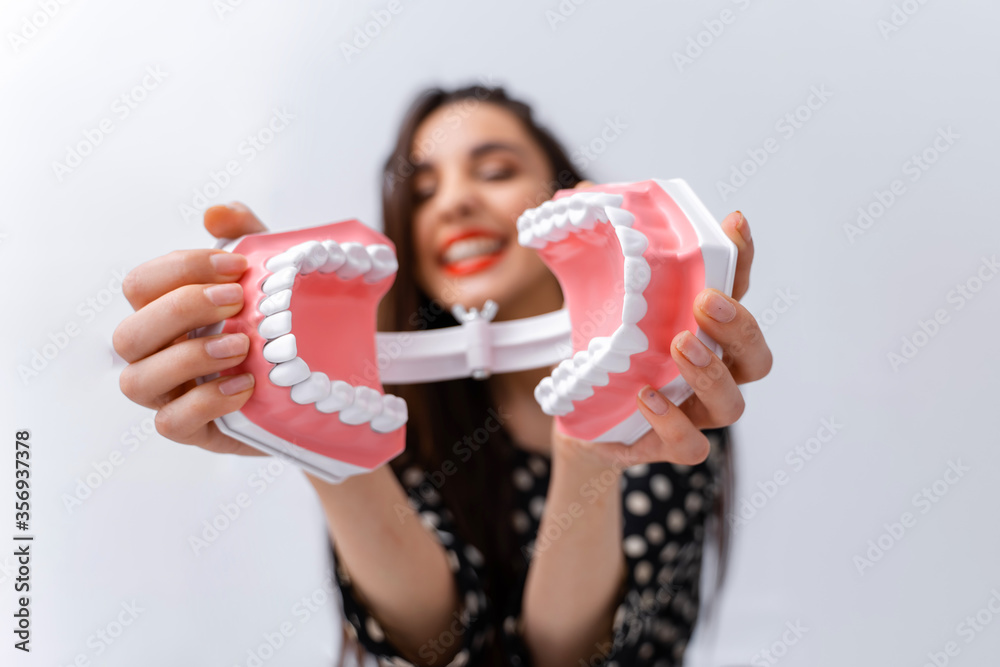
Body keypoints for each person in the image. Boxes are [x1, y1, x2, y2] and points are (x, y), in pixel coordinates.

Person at [113, 84, 771, 667]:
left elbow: (569, 658)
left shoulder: (668, 406)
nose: (453, 202)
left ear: (567, 201)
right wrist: (319, 433)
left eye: (495, 169)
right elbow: (436, 646)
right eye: (422, 189)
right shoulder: (398, 418)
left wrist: (589, 447)